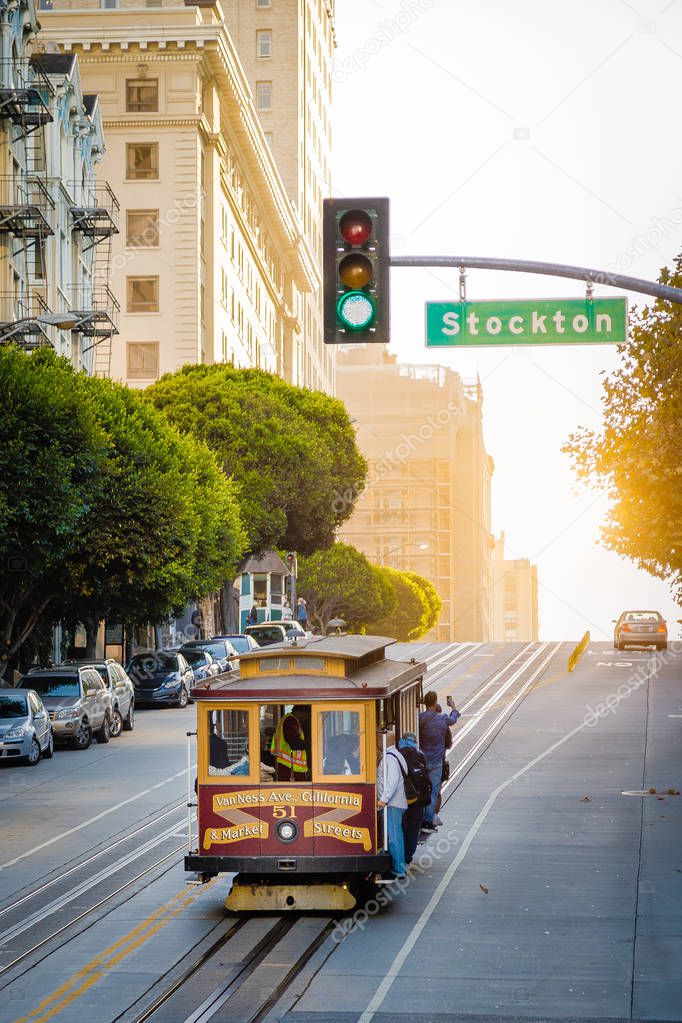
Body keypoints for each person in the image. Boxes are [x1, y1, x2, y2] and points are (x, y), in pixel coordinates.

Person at [419, 690, 460, 830]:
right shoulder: (442, 718)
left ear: (425, 702)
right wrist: (453, 707)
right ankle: (428, 820)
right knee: (434, 792)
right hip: (437, 762)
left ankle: (422, 817)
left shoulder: (420, 718)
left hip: (423, 761)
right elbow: (453, 719)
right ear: (435, 702)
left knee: (423, 789)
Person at [376, 730, 408, 879]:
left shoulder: (389, 758)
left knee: (394, 837)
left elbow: (392, 781)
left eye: (377, 739)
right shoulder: (397, 754)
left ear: (382, 741)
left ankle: (398, 868)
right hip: (397, 803)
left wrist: (384, 799)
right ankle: (399, 866)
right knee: (396, 836)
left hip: (392, 804)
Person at [398, 732, 430, 863]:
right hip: (418, 799)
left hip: (402, 798)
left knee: (401, 828)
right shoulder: (420, 756)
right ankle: (408, 857)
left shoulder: (398, 755)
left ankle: (400, 856)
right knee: (413, 828)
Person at [270, 705, 309, 781]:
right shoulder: (290, 721)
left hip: (289, 767)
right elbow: (294, 743)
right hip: (289, 769)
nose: (306, 719)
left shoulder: (290, 720)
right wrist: (310, 745)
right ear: (302, 713)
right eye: (306, 716)